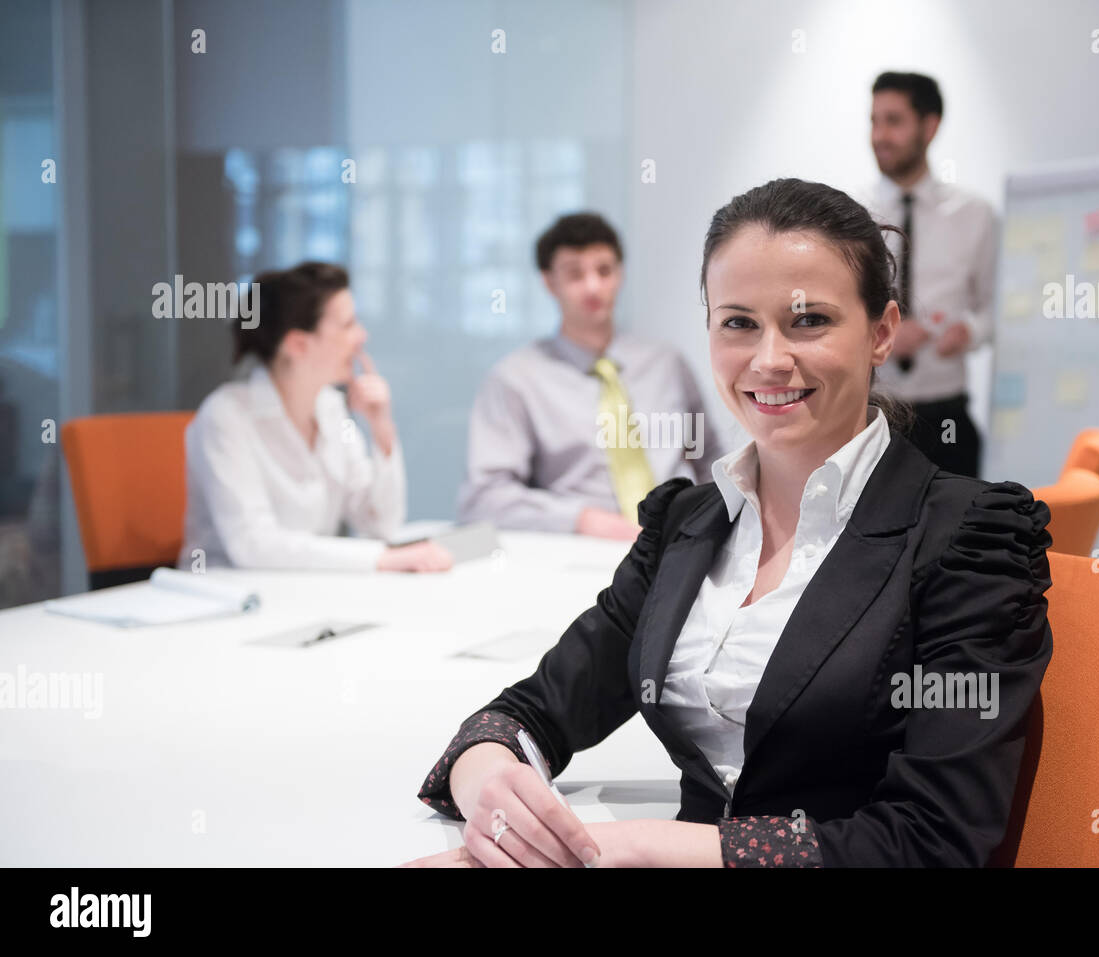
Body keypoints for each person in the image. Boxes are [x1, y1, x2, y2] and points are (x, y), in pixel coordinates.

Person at [404, 179, 1052, 868]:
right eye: (739, 322)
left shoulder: (967, 537)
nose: (769, 359)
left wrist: (642, 846)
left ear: (882, 331)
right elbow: (531, 709)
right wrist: (489, 781)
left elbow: (935, 842)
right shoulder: (686, 526)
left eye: (809, 321)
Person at [456, 212, 727, 541]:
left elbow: (709, 460)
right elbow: (483, 499)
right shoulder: (515, 379)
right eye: (574, 274)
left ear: (620, 274)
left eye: (604, 270)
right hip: (581, 550)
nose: (593, 286)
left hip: (680, 544)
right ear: (548, 282)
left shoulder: (667, 364)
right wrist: (581, 519)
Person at [180, 261, 452, 573]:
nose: (362, 336)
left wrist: (382, 430)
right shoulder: (225, 417)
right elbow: (253, 546)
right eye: (348, 325)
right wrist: (379, 560)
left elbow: (380, 525)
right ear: (298, 344)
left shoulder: (330, 408)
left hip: (303, 590)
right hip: (227, 597)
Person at [867, 71, 997, 478]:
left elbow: (998, 307)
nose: (879, 135)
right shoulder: (850, 216)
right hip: (872, 418)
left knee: (958, 537)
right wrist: (880, 334)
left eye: (893, 121)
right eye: (873, 121)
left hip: (948, 420)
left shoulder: (974, 216)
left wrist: (970, 331)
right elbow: (835, 312)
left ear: (930, 126)